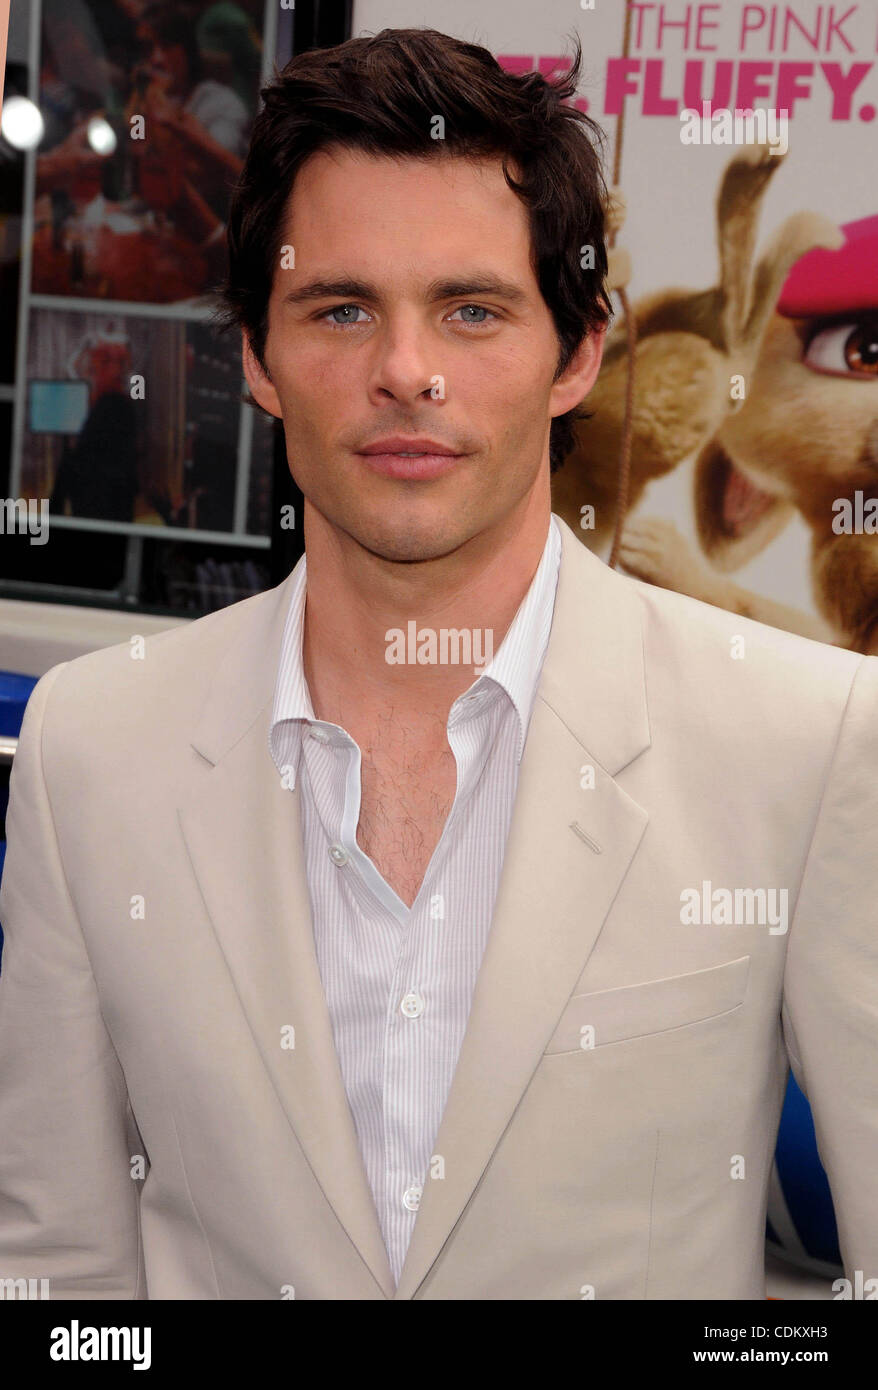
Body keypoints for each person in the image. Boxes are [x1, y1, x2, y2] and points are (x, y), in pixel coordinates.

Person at [0, 28, 876, 1301]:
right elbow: (56, 1275)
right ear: (255, 355)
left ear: (575, 352)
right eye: (340, 309)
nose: (405, 373)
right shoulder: (92, 749)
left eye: (471, 311)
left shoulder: (804, 736)